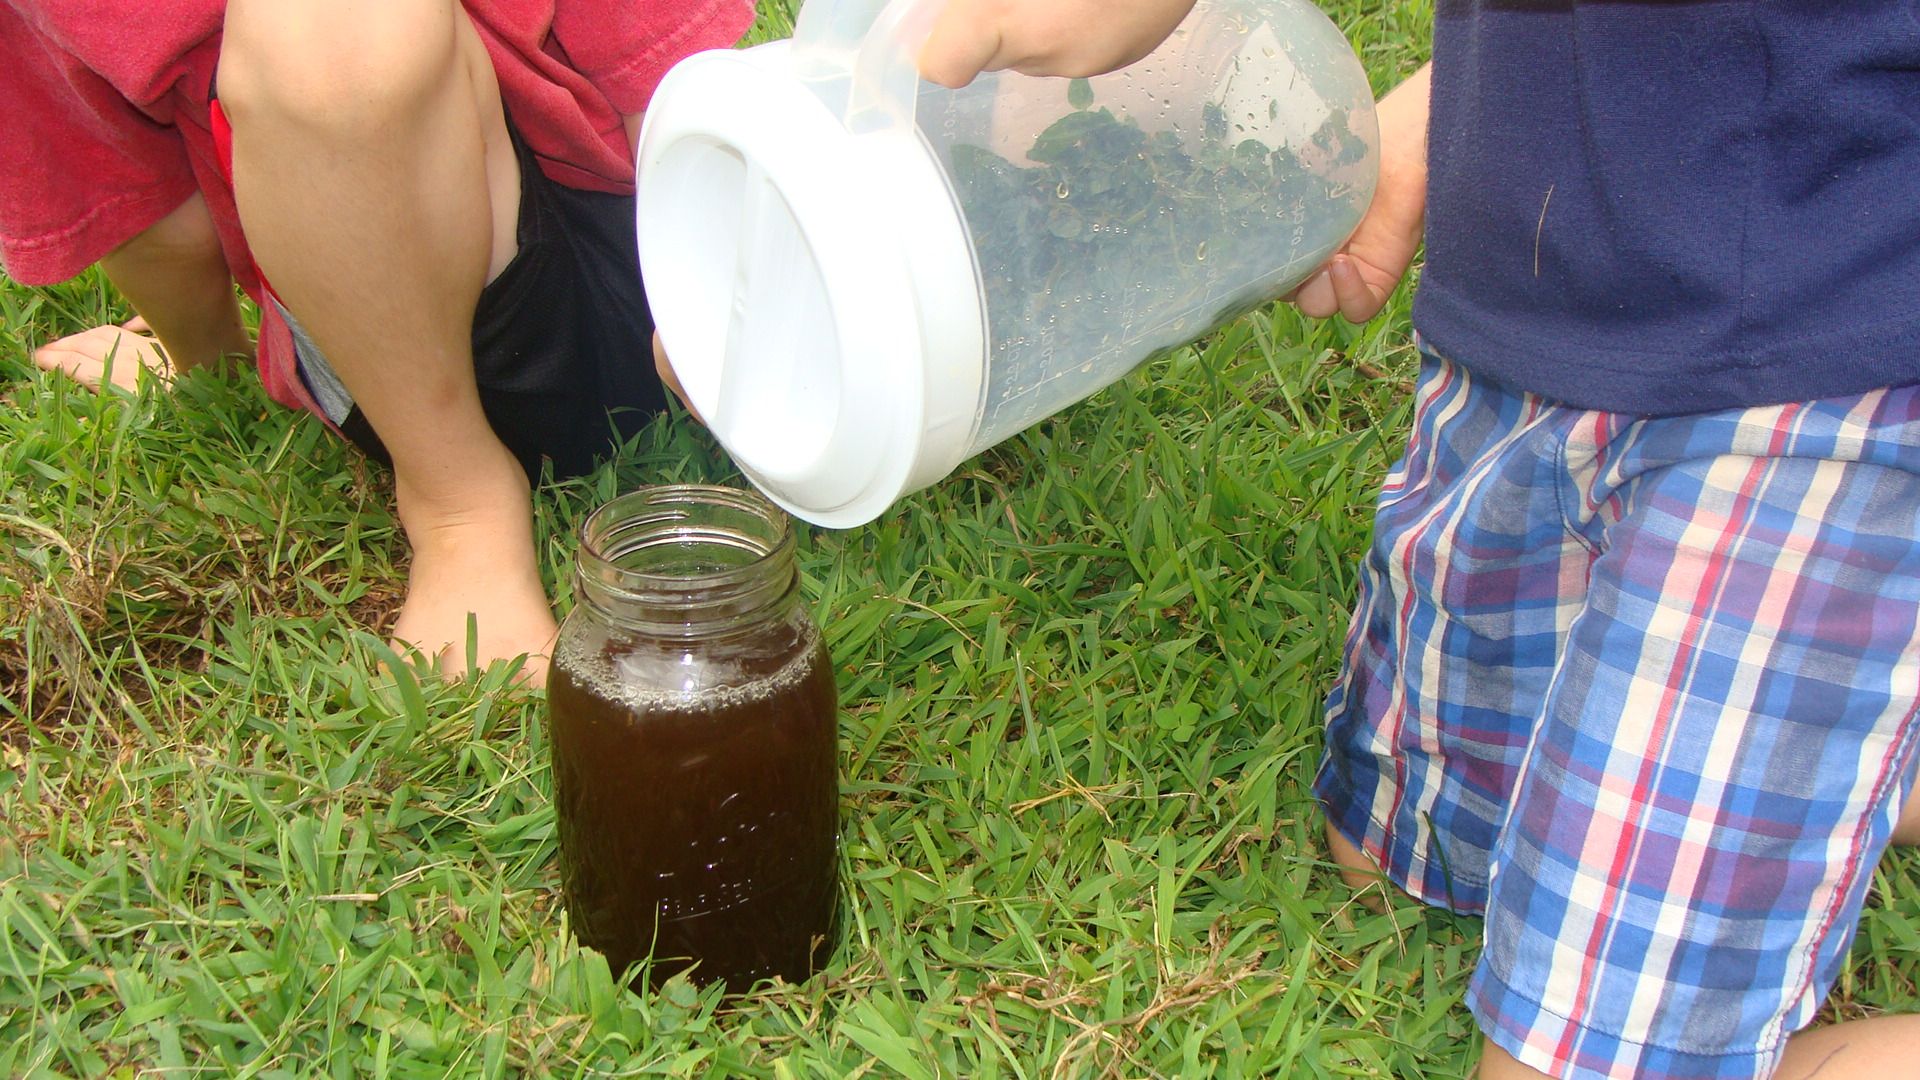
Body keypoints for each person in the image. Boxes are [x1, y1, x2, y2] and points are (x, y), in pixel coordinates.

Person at [914, 1, 1920, 1076]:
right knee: (1404, 853)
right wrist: (1454, 109)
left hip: (1824, 338)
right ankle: (1837, 733)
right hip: (1557, 288)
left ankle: (1817, 710)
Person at [2, 0, 754, 683]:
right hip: (438, 345)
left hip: (626, 278)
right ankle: (461, 513)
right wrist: (206, 370)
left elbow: (145, 203)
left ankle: (457, 497)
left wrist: (700, 295)